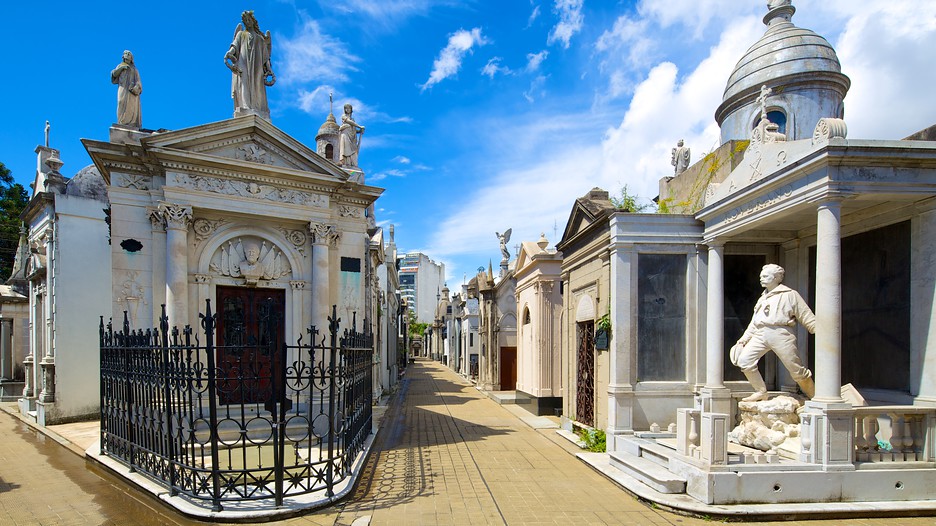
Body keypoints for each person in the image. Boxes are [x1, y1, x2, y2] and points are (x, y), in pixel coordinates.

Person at [732, 264, 816, 401]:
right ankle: (760, 391)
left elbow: (806, 316)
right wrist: (743, 339)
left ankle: (814, 396)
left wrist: (821, 332)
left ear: (776, 278)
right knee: (745, 361)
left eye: (765, 276)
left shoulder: (790, 295)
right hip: (760, 333)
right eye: (760, 276)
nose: (761, 279)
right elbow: (754, 323)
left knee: (796, 369)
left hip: (781, 333)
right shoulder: (762, 298)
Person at [224, 11, 275, 119]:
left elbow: (265, 57)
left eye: (249, 20)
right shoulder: (241, 34)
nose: (247, 22)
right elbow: (235, 46)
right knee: (244, 82)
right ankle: (245, 106)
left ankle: (257, 107)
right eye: (245, 21)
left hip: (256, 65)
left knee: (257, 84)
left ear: (253, 21)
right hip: (243, 62)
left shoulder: (260, 39)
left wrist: (270, 70)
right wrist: (230, 52)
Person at [110, 50, 142, 128]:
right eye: (125, 54)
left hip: (132, 92)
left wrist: (136, 88)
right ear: (123, 56)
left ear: (131, 58)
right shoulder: (120, 65)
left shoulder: (134, 69)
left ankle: (131, 124)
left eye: (129, 54)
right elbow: (114, 75)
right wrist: (121, 68)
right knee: (121, 102)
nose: (127, 55)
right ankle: (121, 122)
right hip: (123, 88)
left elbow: (138, 81)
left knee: (131, 107)